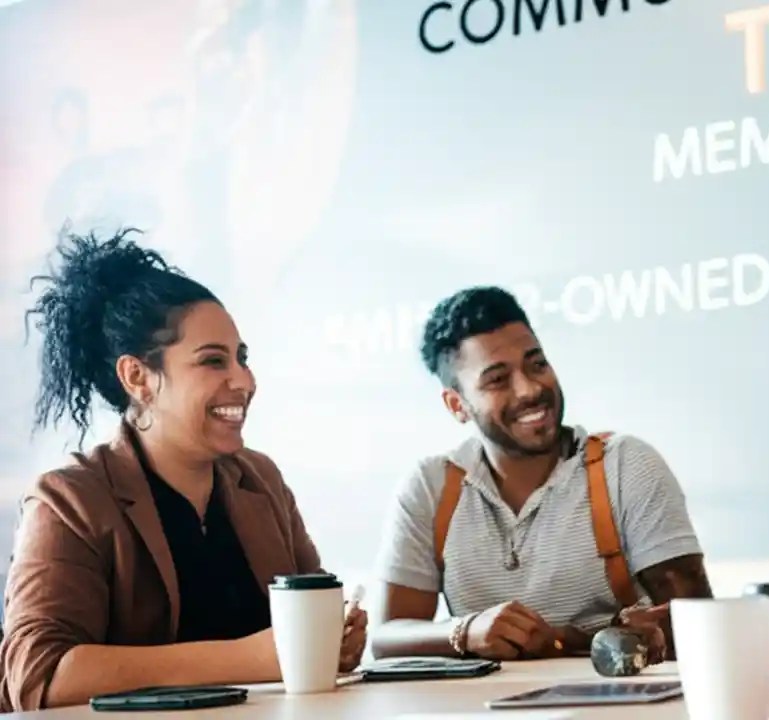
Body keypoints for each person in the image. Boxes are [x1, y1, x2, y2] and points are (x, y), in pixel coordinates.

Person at [0, 229, 367, 712]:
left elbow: (305, 632)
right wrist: (248, 658)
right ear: (138, 378)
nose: (245, 380)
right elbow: (36, 675)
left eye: (242, 358)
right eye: (213, 361)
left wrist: (333, 638)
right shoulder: (69, 500)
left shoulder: (261, 480)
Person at [371, 286, 712, 662]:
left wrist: (564, 640)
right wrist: (465, 632)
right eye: (498, 380)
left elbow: (701, 631)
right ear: (457, 406)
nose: (530, 389)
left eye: (537, 364)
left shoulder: (626, 465)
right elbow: (387, 638)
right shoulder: (431, 486)